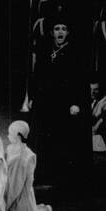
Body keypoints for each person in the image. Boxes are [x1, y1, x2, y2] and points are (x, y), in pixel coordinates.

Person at [30, 19, 90, 186]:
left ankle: (60, 177)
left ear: (68, 32)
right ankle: (43, 173)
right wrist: (34, 97)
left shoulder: (74, 53)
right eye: (57, 29)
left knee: (61, 142)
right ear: (52, 33)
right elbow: (38, 76)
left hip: (65, 105)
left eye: (64, 29)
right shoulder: (46, 52)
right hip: (46, 103)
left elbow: (79, 81)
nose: (60, 32)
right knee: (44, 140)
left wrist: (76, 103)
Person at [5, 120, 54, 211]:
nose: (8, 136)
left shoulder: (25, 156)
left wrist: (7, 202)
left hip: (21, 191)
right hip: (13, 187)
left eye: (10, 133)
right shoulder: (10, 149)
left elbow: (19, 183)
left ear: (17, 135)